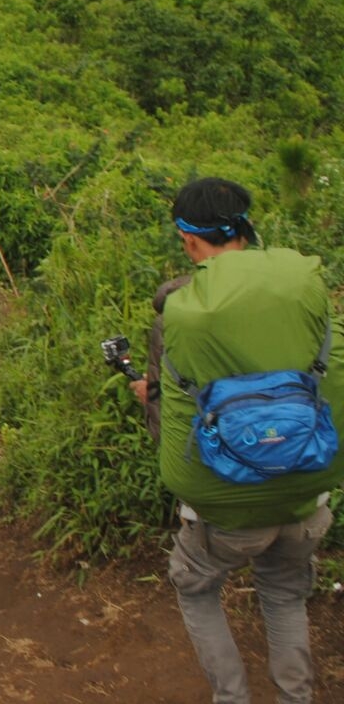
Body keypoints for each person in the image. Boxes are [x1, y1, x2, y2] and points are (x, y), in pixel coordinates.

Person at [125, 178, 343, 704]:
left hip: (221, 508)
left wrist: (147, 395)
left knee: (196, 586)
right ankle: (296, 697)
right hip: (306, 492)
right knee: (285, 594)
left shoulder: (180, 311)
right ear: (247, 228)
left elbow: (170, 425)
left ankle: (233, 698)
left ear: (187, 239)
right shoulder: (306, 290)